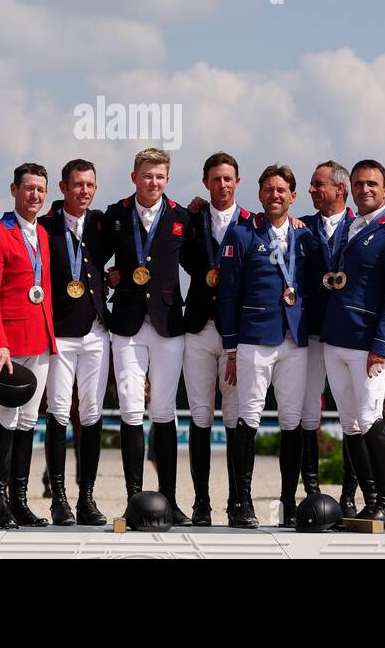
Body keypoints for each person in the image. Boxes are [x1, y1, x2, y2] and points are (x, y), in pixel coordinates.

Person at [300, 160, 385, 513]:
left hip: (367, 342)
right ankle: (368, 503)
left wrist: (382, 343)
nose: (365, 189)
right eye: (358, 184)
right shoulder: (353, 226)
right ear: (349, 188)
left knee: (370, 421)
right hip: (335, 338)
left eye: (372, 184)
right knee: (351, 424)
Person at [217, 164, 319, 527]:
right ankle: (241, 503)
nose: (275, 195)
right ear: (259, 195)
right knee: (249, 418)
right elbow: (227, 295)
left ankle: (289, 504)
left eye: (282, 190)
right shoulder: (242, 234)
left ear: (292, 196)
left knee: (292, 422)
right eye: (268, 189)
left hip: (295, 339)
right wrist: (230, 348)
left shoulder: (305, 237)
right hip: (254, 339)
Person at [102, 148, 192, 524]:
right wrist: (105, 278)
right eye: (146, 175)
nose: (153, 182)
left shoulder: (183, 217)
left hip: (168, 324)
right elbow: (91, 256)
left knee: (164, 412)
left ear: (167, 180)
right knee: (130, 411)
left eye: (159, 176)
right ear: (134, 177)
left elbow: (204, 264)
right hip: (126, 324)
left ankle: (169, 500)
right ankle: (135, 500)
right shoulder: (116, 214)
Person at [0, 163, 59, 527]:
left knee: (29, 419)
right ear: (14, 190)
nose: (35, 196)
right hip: (9, 343)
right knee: (4, 417)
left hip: (40, 338)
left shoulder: (41, 234)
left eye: (41, 190)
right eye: (28, 188)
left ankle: (21, 501)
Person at [38, 159, 113, 525]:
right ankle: (59, 499)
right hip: (61, 335)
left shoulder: (101, 225)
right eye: (77, 185)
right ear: (63, 188)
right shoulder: (45, 227)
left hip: (97, 332)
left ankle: (87, 498)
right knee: (57, 414)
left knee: (92, 414)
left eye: (90, 185)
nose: (84, 191)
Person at [179, 152, 252, 525]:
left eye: (228, 179)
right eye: (215, 179)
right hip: (198, 328)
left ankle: (239, 501)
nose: (222, 185)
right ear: (205, 183)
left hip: (236, 333)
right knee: (201, 416)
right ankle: (201, 503)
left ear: (237, 182)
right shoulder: (190, 219)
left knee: (237, 416)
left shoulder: (253, 224)